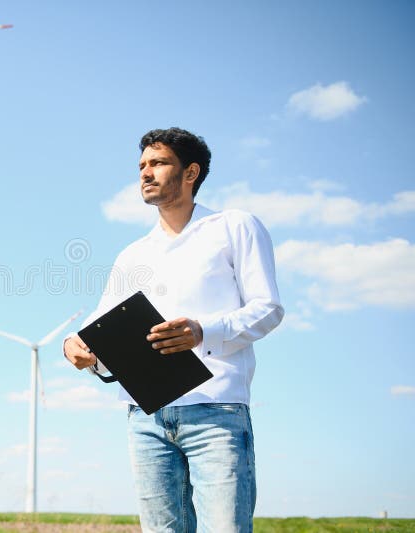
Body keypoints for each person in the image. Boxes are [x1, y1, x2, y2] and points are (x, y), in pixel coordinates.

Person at [63, 127, 283, 532]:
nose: (146, 173)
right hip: (145, 418)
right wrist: (74, 346)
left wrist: (203, 331)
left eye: (159, 163)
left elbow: (267, 309)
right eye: (142, 165)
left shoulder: (234, 226)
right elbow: (97, 330)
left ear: (191, 172)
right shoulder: (133, 254)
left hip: (216, 410)